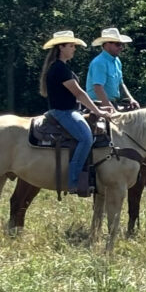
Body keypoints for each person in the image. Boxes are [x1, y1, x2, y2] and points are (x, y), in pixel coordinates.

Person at [38, 30, 103, 196]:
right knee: (86, 138)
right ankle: (73, 181)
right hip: (63, 112)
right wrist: (98, 111)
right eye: (71, 45)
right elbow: (79, 94)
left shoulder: (61, 67)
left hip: (70, 110)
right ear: (61, 47)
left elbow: (77, 95)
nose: (74, 48)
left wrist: (96, 106)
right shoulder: (60, 69)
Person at [88, 27, 140, 111]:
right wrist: (110, 108)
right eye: (118, 44)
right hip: (99, 105)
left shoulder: (117, 61)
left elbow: (121, 83)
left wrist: (131, 99)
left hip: (111, 103)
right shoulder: (99, 62)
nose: (121, 47)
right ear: (107, 45)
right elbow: (98, 88)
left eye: (122, 44)